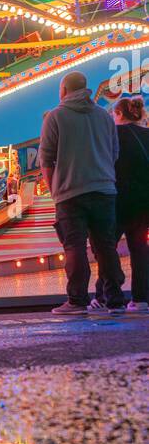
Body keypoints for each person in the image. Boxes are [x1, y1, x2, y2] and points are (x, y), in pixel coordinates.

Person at [39, 70, 125, 313]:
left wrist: (54, 190)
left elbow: (46, 160)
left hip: (70, 193)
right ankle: (115, 299)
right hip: (105, 190)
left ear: (64, 90)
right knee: (106, 246)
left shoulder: (55, 117)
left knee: (74, 246)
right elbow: (114, 153)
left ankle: (77, 300)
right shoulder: (104, 116)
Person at [92, 95, 149, 312]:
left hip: (116, 200)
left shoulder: (113, 134)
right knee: (140, 250)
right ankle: (141, 299)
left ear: (118, 114)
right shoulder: (147, 134)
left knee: (107, 249)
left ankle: (102, 296)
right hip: (144, 203)